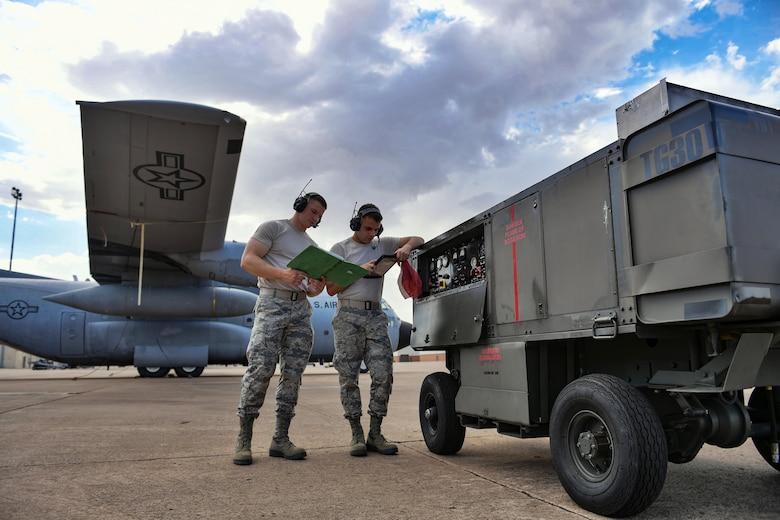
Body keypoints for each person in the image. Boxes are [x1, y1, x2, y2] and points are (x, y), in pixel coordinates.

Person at [233, 192, 328, 465]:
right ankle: (244, 440)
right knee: (260, 369)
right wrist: (282, 274)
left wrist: (315, 287)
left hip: (300, 310)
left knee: (293, 374)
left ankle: (280, 439)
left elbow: (308, 289)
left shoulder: (312, 246)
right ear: (299, 206)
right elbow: (248, 260)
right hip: (272, 305)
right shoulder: (273, 228)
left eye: (320, 215)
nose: (316, 218)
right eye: (313, 211)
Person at [326, 204, 424, 456]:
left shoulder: (382, 244)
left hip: (375, 316)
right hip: (348, 315)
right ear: (356, 224)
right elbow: (331, 288)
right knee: (348, 377)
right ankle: (356, 433)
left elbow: (418, 238)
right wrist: (358, 271)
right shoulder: (340, 249)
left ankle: (375, 432)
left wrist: (405, 248)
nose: (372, 233)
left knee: (383, 374)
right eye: (368, 228)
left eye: (376, 229)